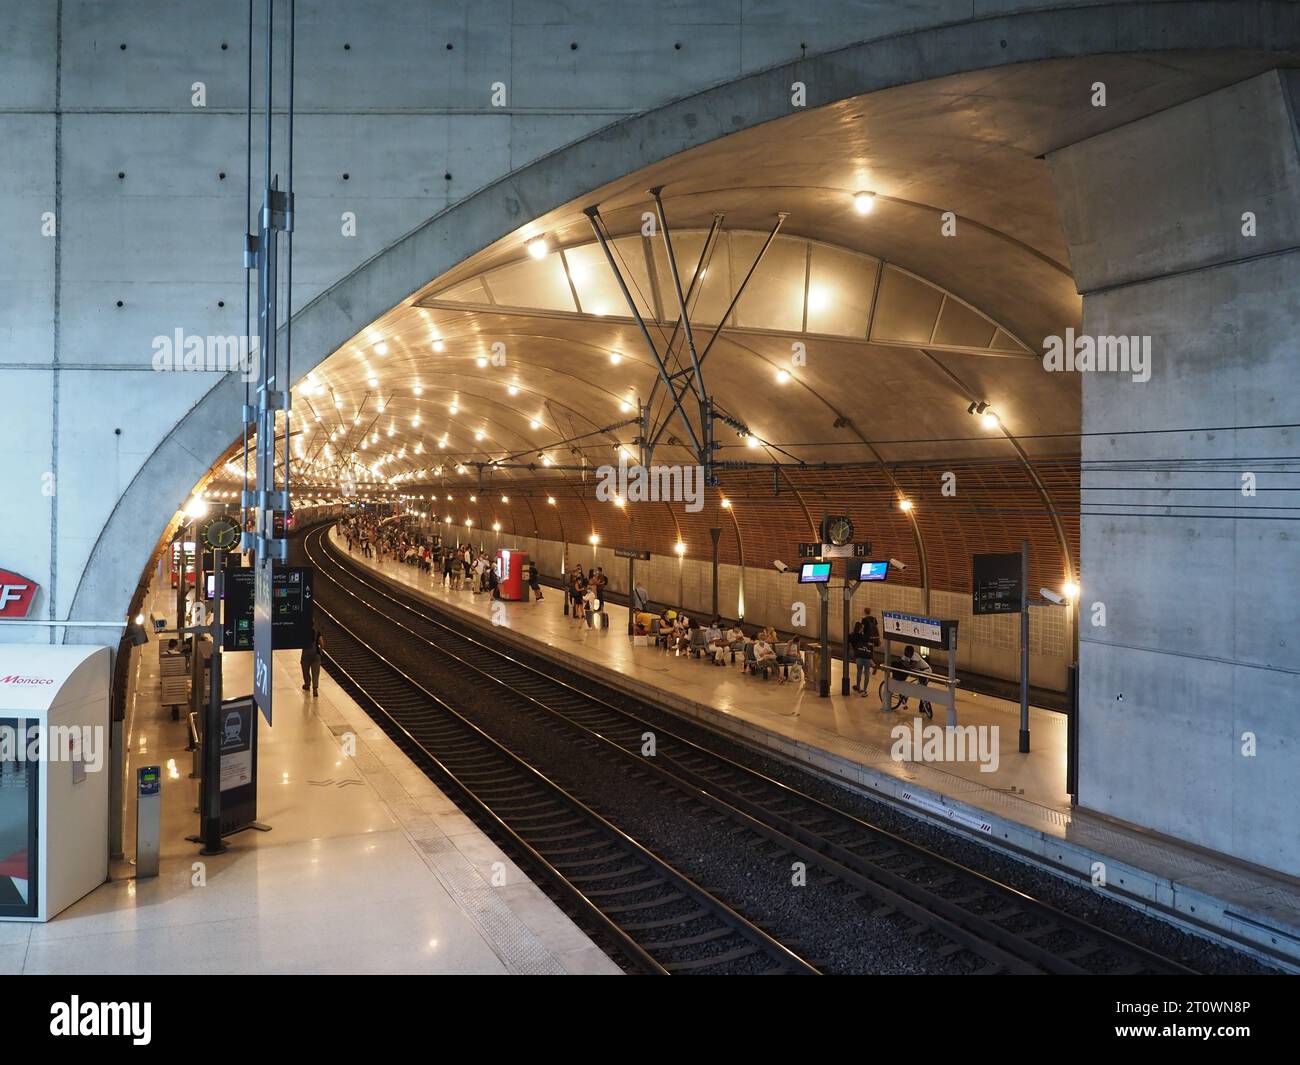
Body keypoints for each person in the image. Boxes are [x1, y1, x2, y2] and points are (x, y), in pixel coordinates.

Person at [300, 627, 324, 697]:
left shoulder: (303, 632)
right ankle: (315, 689)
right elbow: (322, 643)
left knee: (305, 670)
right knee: (316, 673)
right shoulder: (317, 632)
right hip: (316, 654)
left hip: (306, 653)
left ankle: (307, 684)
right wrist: (321, 652)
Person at [849, 621, 871, 694]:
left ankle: (858, 687)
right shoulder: (863, 636)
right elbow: (868, 643)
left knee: (859, 672)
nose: (863, 629)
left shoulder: (852, 635)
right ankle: (865, 690)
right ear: (860, 628)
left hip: (858, 656)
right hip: (866, 656)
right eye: (862, 628)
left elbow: (849, 640)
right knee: (867, 673)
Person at [862, 607, 880, 678]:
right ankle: (869, 668)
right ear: (870, 611)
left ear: (864, 612)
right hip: (874, 639)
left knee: (865, 653)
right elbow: (876, 628)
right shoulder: (874, 619)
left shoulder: (864, 620)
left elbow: (863, 630)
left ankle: (872, 666)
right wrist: (878, 638)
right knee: (870, 652)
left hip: (867, 639)